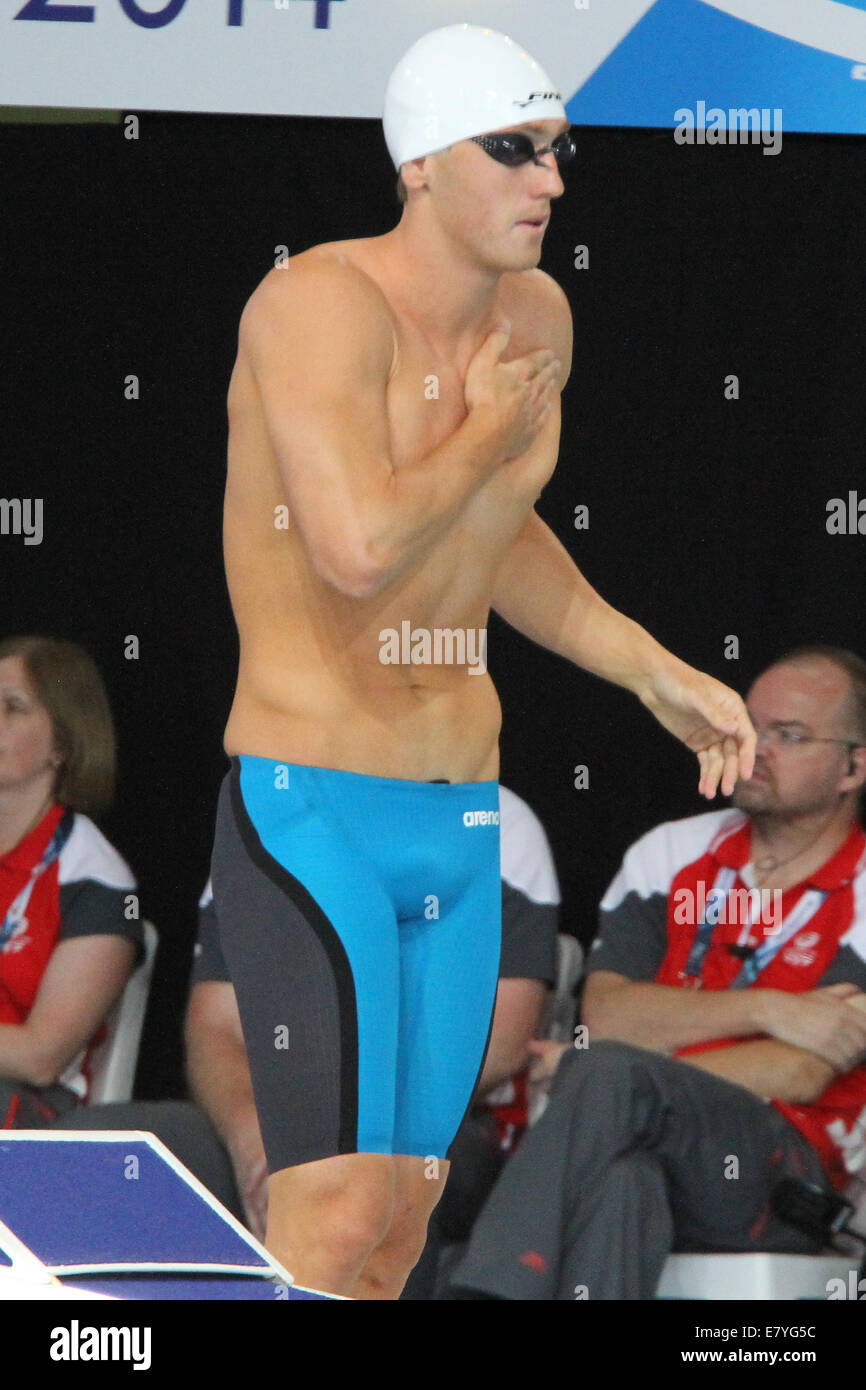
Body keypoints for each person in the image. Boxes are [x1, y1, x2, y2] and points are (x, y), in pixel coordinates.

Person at [209, 22, 757, 1299]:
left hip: (458, 814)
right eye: (512, 150)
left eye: (557, 151)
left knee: (402, 1215)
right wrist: (485, 430)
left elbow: (498, 545)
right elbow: (352, 547)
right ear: (417, 163)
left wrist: (654, 671)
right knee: (331, 1206)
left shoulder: (537, 313)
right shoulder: (316, 305)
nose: (549, 181)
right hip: (314, 805)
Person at [448, 647, 866, 1299]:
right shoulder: (670, 854)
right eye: (748, 726)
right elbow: (609, 1016)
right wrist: (770, 1010)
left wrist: (619, 1076)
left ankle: (481, 1295)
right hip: (654, 1152)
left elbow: (805, 1068)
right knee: (623, 1182)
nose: (754, 748)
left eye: (788, 735)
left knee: (610, 1074)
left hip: (786, 1174)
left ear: (853, 766)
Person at [0, 635, 142, 1127]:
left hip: (32, 1107)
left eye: (12, 707)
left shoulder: (95, 880)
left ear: (61, 743)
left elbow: (43, 1055)